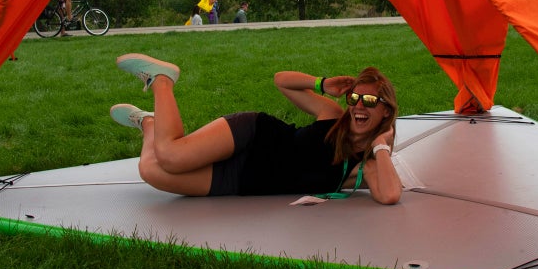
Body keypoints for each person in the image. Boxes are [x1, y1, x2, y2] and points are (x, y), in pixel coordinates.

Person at [110, 54, 401, 205]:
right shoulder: (333, 116)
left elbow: (389, 195)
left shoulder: (366, 165)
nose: (359, 106)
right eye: (355, 98)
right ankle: (162, 79)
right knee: (171, 156)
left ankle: (150, 123)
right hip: (252, 136)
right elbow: (281, 81)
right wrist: (322, 83)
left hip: (243, 180)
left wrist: (381, 144)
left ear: (386, 110)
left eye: (370, 101)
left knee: (152, 171)